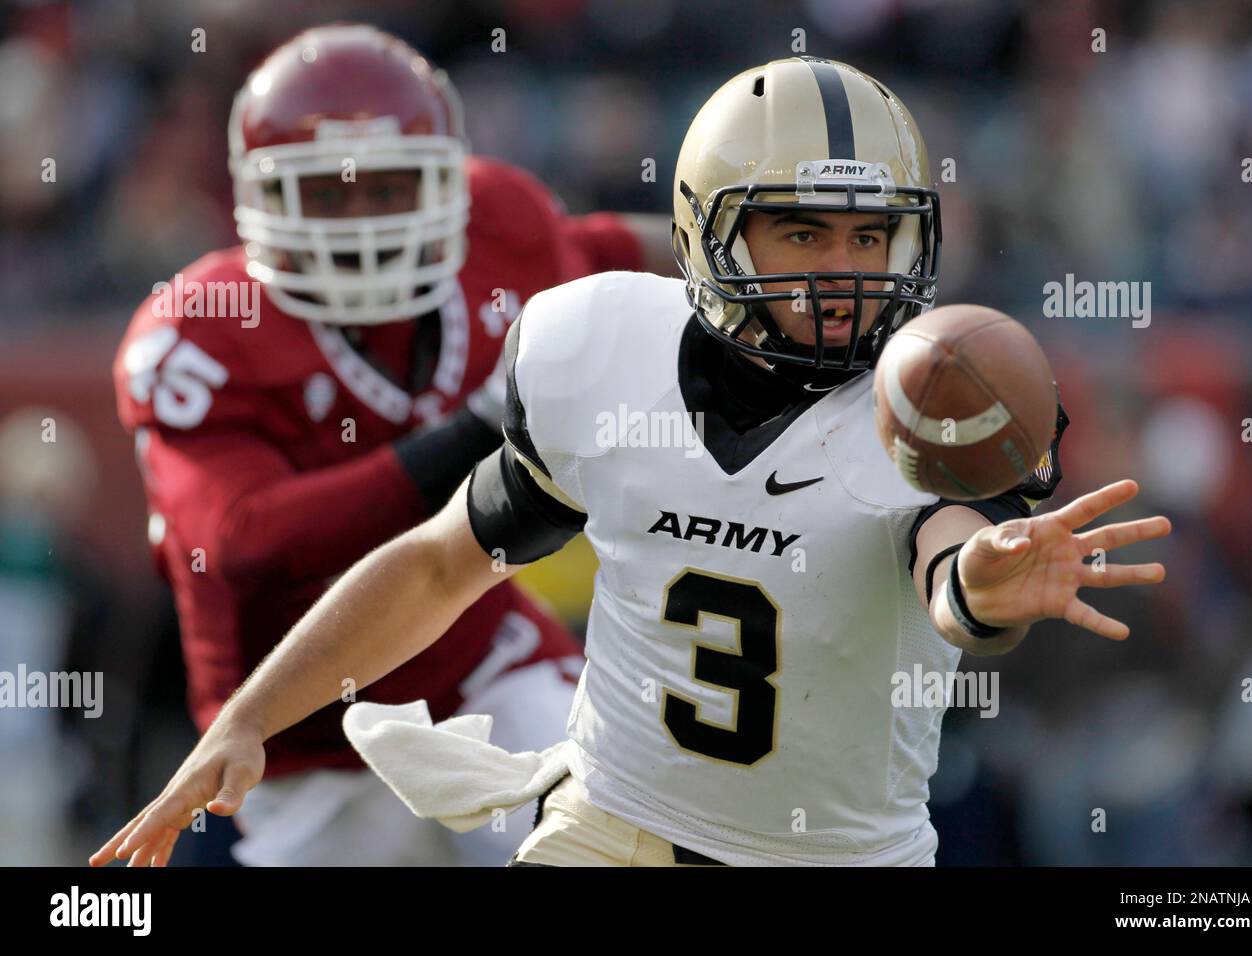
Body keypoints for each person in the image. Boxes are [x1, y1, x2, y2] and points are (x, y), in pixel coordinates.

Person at [94, 56, 1170, 869]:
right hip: (607, 828)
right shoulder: (601, 351)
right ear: (706, 234)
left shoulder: (936, 389)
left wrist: (980, 588)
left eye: (868, 234)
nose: (842, 271)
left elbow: (951, 563)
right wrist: (245, 719)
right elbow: (435, 564)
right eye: (799, 233)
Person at [109, 23, 670, 866]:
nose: (360, 220)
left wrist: (756, 245)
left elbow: (621, 255)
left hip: (483, 660)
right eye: (328, 195)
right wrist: (474, 432)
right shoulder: (201, 330)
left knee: (619, 838)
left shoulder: (503, 228)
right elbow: (246, 540)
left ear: (448, 183)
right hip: (294, 739)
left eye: (390, 187)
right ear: (258, 198)